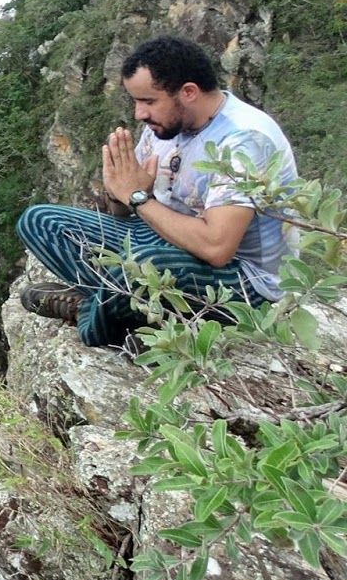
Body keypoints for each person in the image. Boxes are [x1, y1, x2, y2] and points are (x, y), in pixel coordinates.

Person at [16, 35, 297, 348]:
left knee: (145, 266)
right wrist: (118, 193)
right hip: (168, 240)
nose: (139, 114)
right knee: (39, 221)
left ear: (188, 92)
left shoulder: (244, 138)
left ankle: (92, 317)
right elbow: (126, 212)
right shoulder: (166, 127)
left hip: (244, 278)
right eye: (137, 101)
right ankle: (129, 312)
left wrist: (139, 199)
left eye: (148, 101)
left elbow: (217, 248)